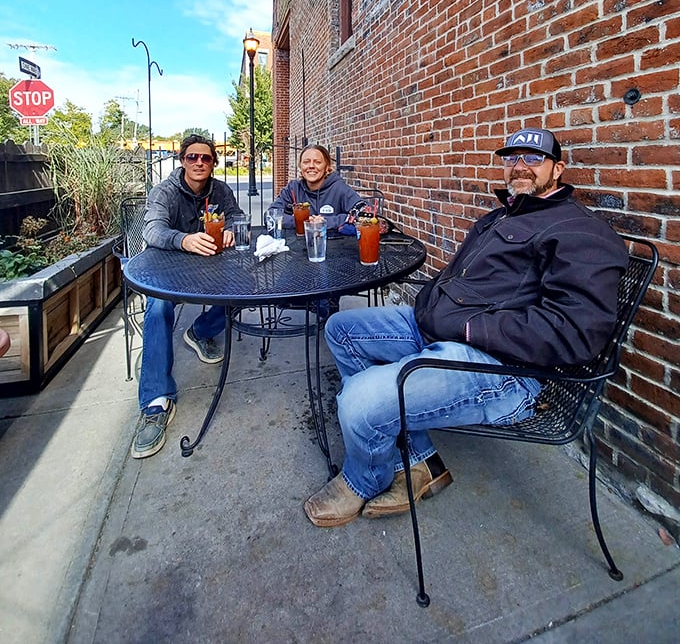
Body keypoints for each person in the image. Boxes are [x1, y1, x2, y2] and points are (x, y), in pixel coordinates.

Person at [304, 126, 629, 527]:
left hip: (499, 365)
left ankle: (365, 476)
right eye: (511, 159)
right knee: (340, 329)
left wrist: (473, 329)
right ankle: (421, 460)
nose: (519, 167)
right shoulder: (500, 217)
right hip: (438, 328)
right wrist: (435, 309)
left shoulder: (580, 231)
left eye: (532, 159)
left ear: (557, 169)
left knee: (358, 402)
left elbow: (577, 333)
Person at [132, 133, 245, 459]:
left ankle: (200, 331)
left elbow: (237, 216)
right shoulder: (165, 191)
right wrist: (184, 240)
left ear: (213, 163)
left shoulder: (220, 190)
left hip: (211, 269)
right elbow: (151, 231)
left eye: (206, 158)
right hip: (168, 270)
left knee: (243, 291)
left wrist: (229, 230)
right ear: (182, 160)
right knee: (156, 309)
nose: (199, 163)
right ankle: (156, 401)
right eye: (192, 157)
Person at [269, 144, 365, 232]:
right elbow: (270, 215)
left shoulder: (339, 188)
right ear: (300, 166)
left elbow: (365, 214)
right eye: (306, 162)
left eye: (317, 162)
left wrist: (326, 222)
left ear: (327, 167)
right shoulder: (293, 188)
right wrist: (303, 222)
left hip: (334, 247)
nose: (311, 166)